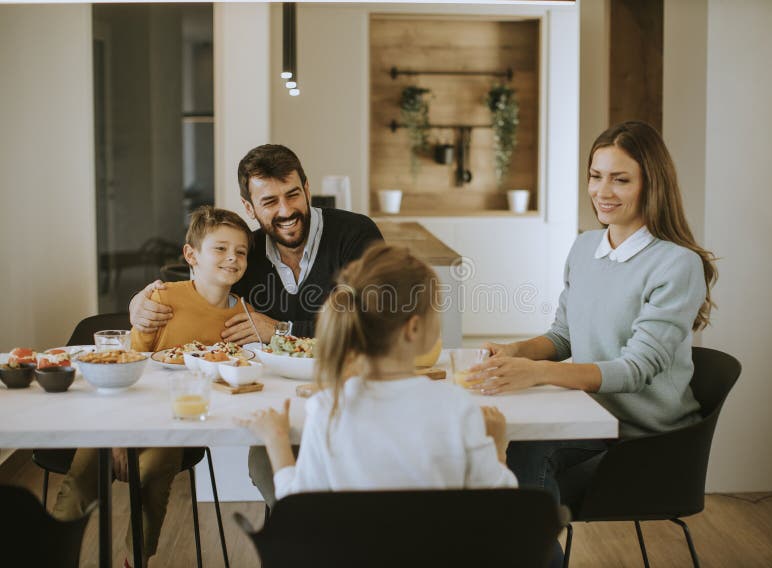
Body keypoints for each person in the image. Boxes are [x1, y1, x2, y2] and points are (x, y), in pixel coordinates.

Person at [467, 120, 718, 505]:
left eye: (620, 180)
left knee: (525, 454)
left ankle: (523, 553)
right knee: (490, 442)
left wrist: (536, 373)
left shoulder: (676, 264)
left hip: (642, 437)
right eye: (595, 176)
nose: (603, 192)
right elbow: (563, 336)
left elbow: (635, 369)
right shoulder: (585, 247)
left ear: (652, 185)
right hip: (588, 415)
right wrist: (516, 351)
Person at [128, 144, 383, 503]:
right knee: (267, 469)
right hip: (277, 408)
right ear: (249, 208)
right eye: (269, 202)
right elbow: (197, 292)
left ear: (307, 189)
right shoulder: (245, 255)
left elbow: (372, 325)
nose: (286, 210)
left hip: (351, 399)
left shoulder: (356, 234)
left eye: (293, 195)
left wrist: (281, 330)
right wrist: (139, 301)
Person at [53, 206, 253, 568]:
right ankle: (53, 552)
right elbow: (125, 369)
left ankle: (136, 559)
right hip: (122, 411)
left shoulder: (243, 316)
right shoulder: (162, 301)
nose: (232, 258)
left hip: (179, 422)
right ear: (191, 255)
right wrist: (118, 436)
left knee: (156, 468)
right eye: (220, 248)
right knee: (83, 477)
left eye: (240, 251)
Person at [236, 244, 517, 499]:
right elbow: (498, 507)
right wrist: (496, 448)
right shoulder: (457, 408)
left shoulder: (327, 409)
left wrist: (277, 442)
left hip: (351, 558)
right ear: (414, 328)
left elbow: (297, 507)